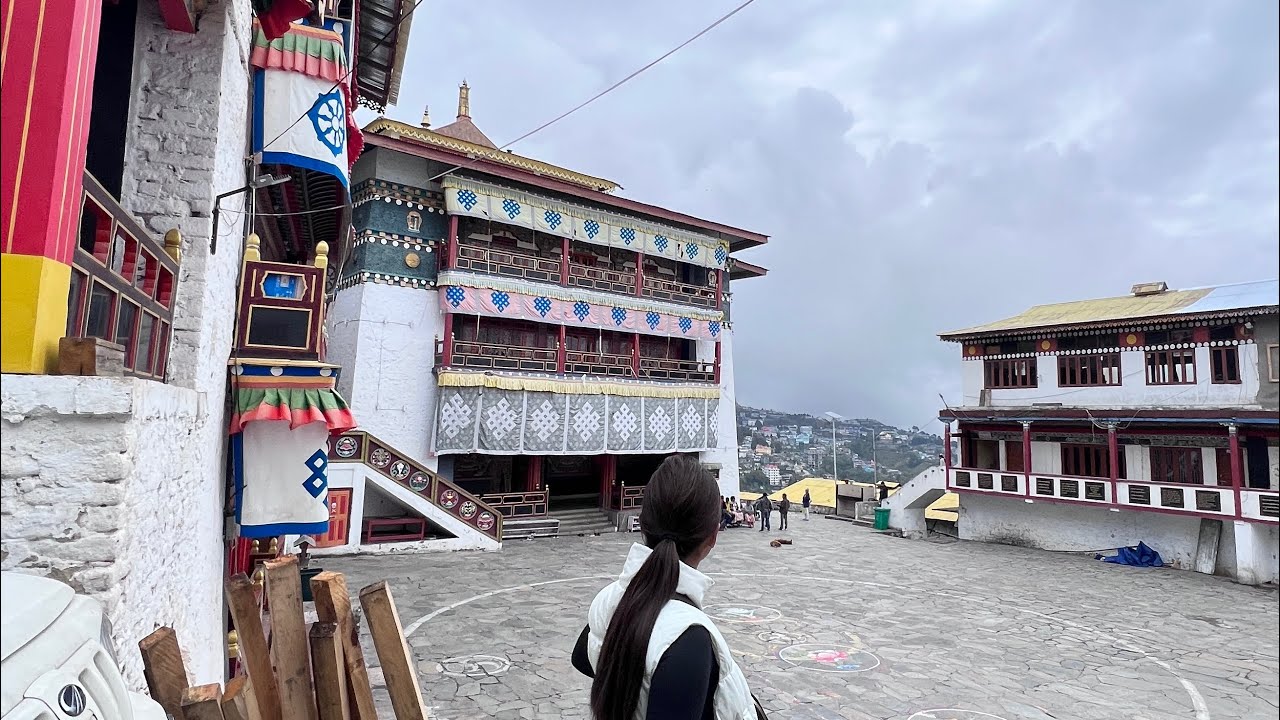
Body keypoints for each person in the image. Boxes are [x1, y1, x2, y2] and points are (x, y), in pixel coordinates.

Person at [570, 455, 767, 720]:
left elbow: (582, 657)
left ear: (643, 523)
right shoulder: (689, 637)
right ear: (713, 536)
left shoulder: (612, 598)